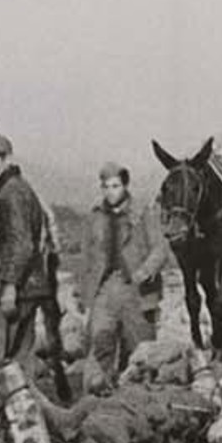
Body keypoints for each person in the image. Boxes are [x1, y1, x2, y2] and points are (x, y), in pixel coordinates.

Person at [0, 134, 67, 405]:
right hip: (32, 288)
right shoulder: (21, 189)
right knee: (21, 360)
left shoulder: (10, 194)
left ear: (7, 160)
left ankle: (3, 418)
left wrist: (9, 285)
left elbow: (22, 244)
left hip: (11, 289)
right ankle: (27, 420)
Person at [79, 161, 167, 392]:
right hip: (105, 289)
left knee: (140, 352)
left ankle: (137, 401)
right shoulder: (95, 216)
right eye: (106, 187)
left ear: (125, 186)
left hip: (137, 291)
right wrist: (83, 295)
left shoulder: (143, 213)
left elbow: (160, 249)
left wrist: (144, 272)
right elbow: (87, 256)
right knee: (99, 346)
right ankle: (96, 402)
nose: (110, 192)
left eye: (115, 186)